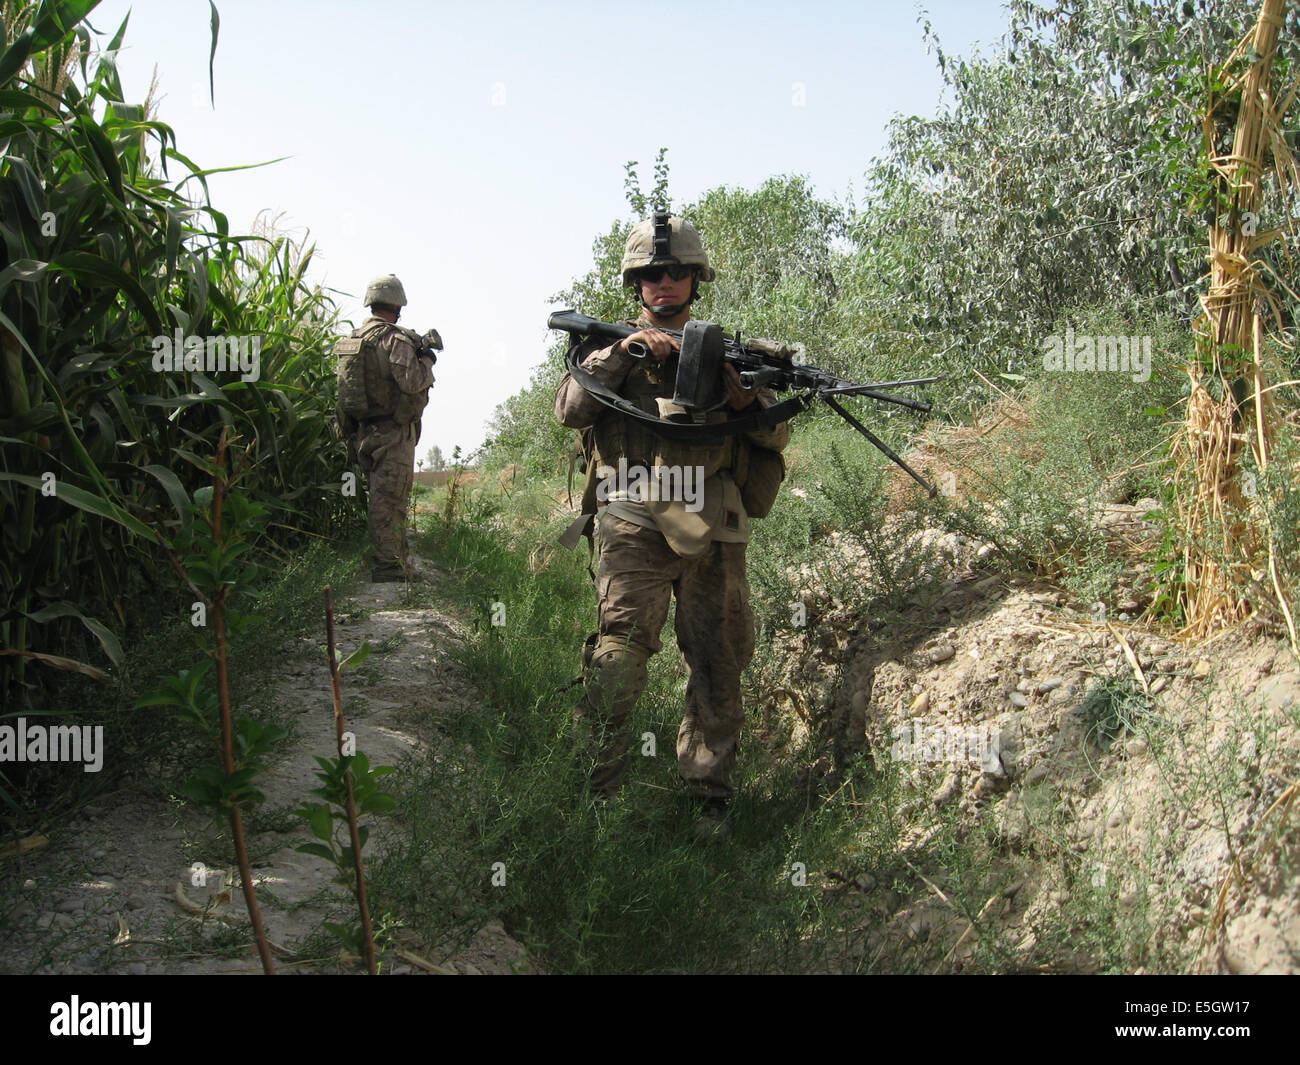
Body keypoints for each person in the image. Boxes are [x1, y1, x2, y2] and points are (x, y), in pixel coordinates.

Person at [554, 213, 790, 837]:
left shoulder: (731, 352)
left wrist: (746, 398)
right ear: (636, 283)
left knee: (719, 658)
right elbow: (571, 411)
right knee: (621, 654)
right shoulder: (606, 350)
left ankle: (708, 796)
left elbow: (776, 434)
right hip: (633, 516)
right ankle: (596, 798)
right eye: (653, 274)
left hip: (713, 521)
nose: (665, 283)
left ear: (695, 279)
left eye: (677, 272)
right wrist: (623, 355)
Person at [336, 274, 436, 582]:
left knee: (383, 496)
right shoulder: (394, 339)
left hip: (366, 431)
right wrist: (428, 359)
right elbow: (413, 382)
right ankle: (387, 566)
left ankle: (394, 561)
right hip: (392, 432)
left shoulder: (355, 340)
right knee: (390, 499)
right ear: (397, 305)